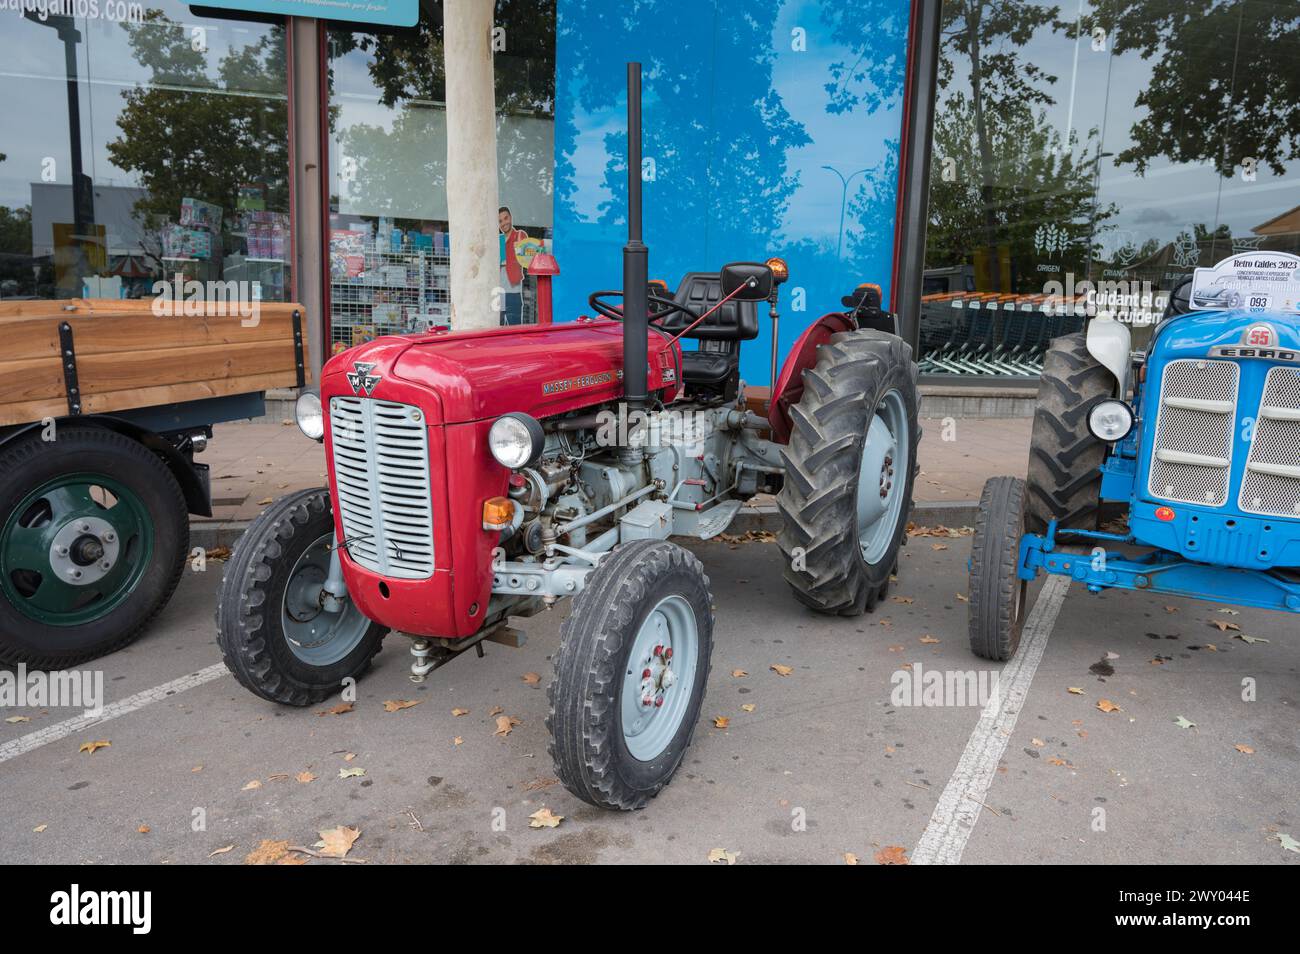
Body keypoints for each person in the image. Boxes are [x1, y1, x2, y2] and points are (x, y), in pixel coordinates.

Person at [498, 206, 528, 326]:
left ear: (511, 218)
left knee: (515, 329)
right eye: (500, 221)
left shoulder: (520, 235)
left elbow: (524, 258)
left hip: (513, 291)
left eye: (506, 218)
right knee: (496, 329)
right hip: (497, 291)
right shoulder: (497, 240)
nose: (504, 223)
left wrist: (505, 262)